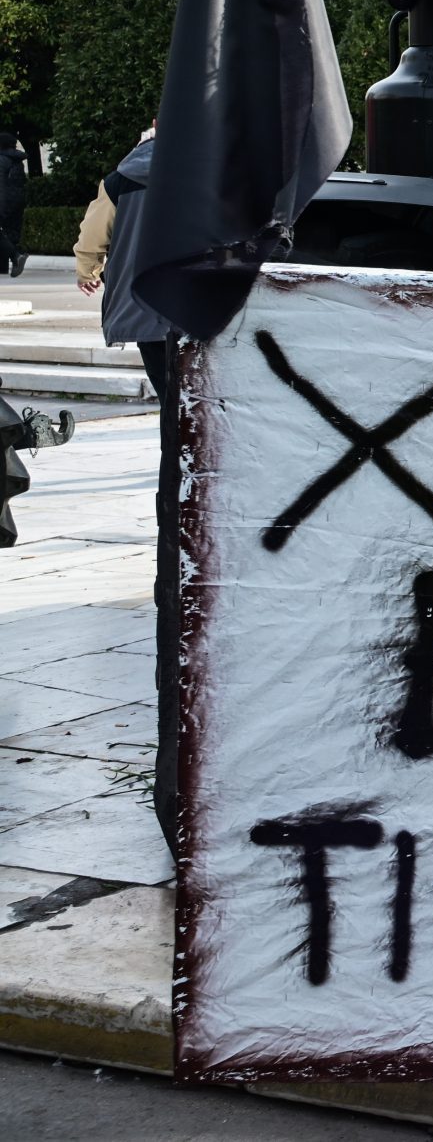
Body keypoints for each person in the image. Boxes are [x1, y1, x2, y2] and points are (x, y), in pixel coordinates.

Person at [77, 127, 180, 847]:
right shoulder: (197, 164)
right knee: (189, 384)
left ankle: (176, 413)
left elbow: (93, 225)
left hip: (139, 298)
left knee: (166, 382)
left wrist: (89, 265)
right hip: (188, 295)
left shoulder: (125, 171)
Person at [0, 131, 26, 276]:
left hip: (3, 202)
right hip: (17, 201)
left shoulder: (2, 160)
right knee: (9, 234)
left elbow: (1, 186)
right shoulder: (16, 160)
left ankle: (16, 256)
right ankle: (3, 268)